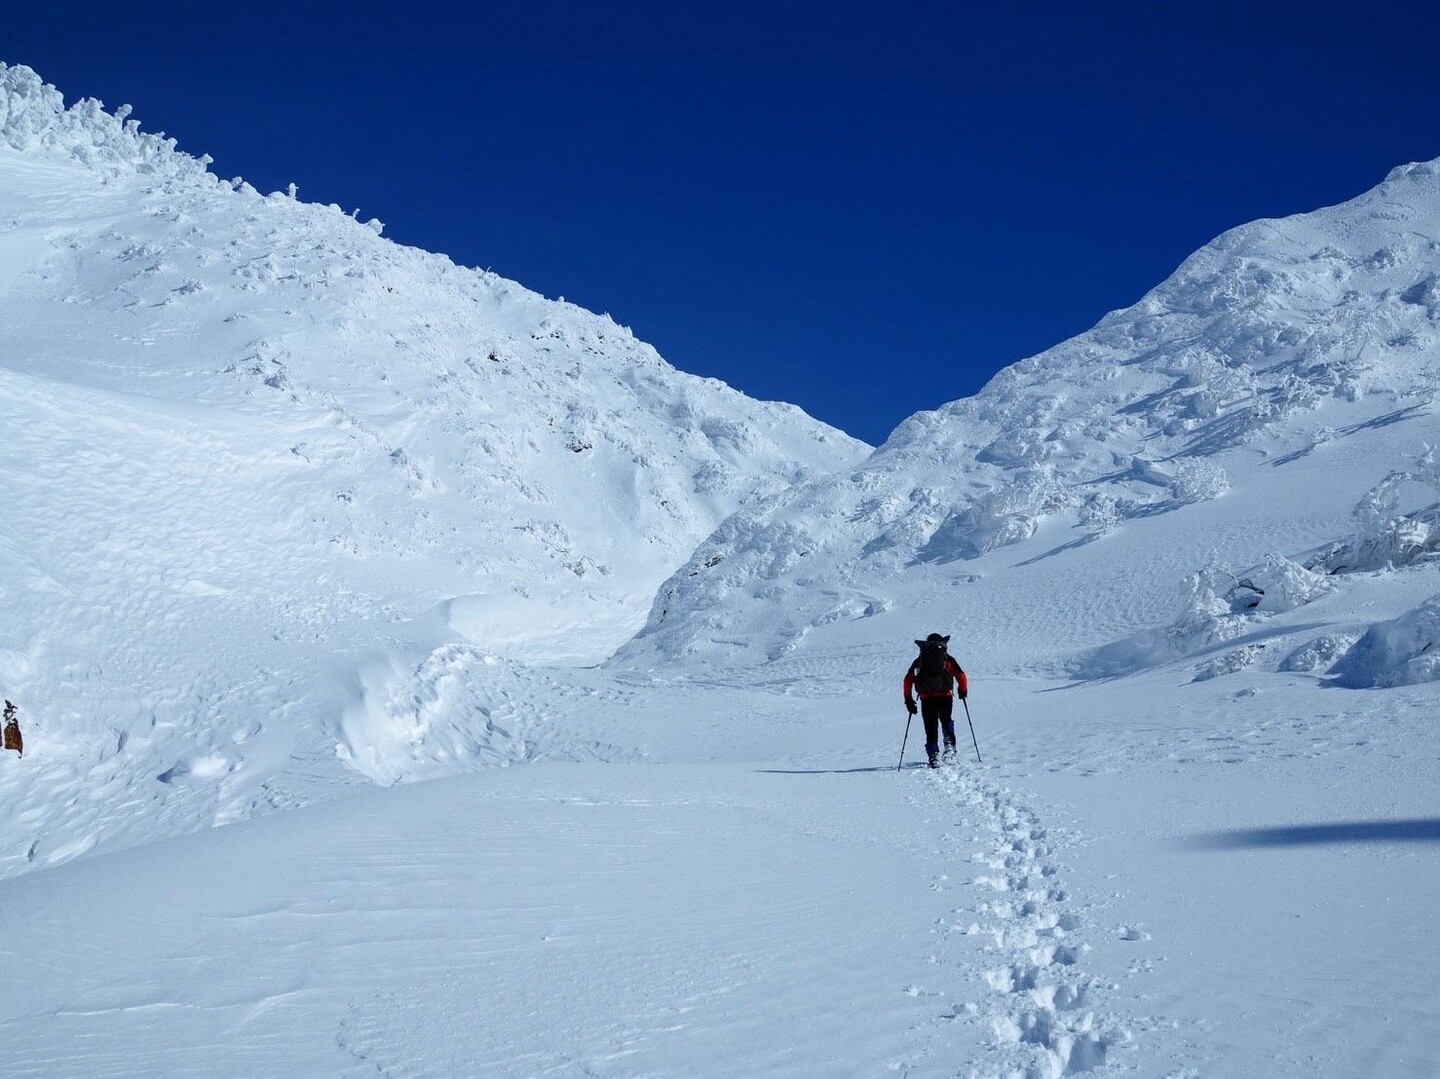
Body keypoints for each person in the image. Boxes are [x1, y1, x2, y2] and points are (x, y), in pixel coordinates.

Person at [903, 634, 968, 768]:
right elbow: (961, 675)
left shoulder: (920, 660)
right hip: (945, 696)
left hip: (927, 698)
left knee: (930, 726)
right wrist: (963, 691)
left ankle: (933, 755)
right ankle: (950, 749)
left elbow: (908, 680)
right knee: (946, 720)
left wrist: (908, 700)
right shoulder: (947, 659)